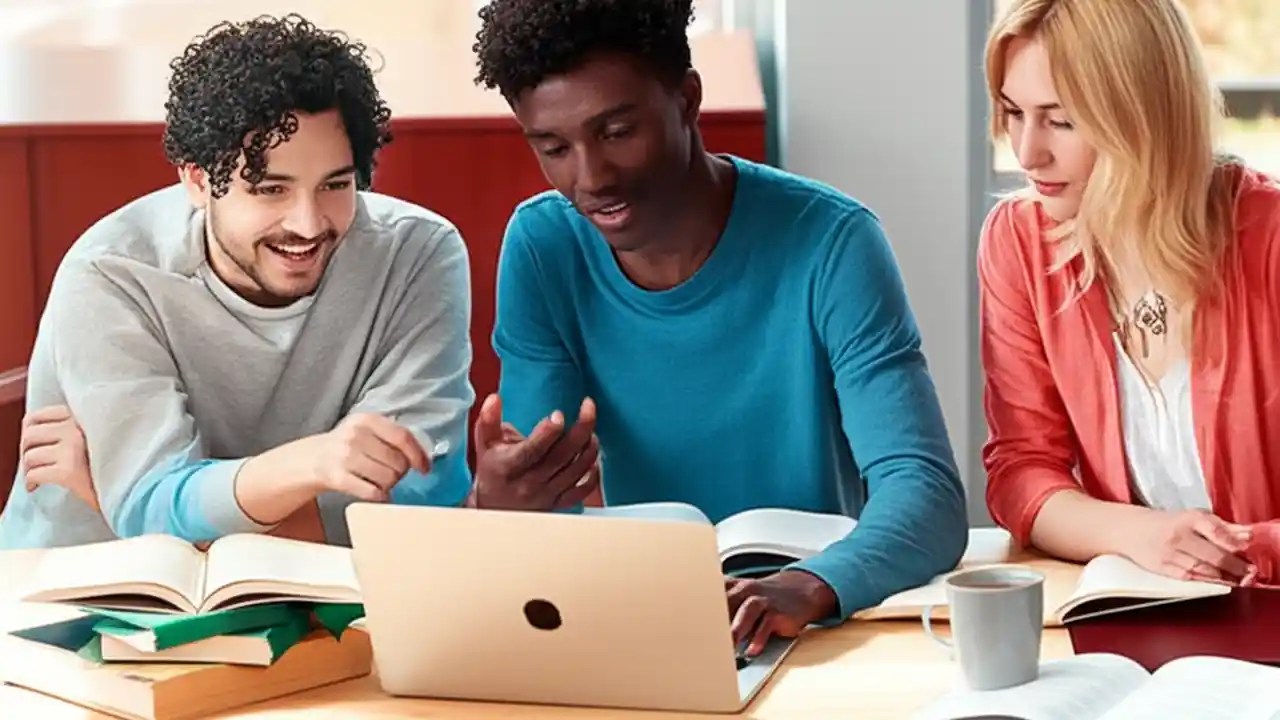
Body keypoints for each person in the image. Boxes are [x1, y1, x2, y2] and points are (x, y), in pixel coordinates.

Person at [471, 0, 969, 654]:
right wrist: (501, 501)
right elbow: (549, 515)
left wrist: (815, 583)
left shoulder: (832, 243)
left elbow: (926, 495)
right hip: (645, 622)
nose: (591, 179)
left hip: (815, 623)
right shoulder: (544, 247)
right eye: (554, 148)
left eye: (618, 131)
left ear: (687, 99)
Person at [0, 14, 598, 550]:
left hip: (315, 606)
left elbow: (419, 497)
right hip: (80, 594)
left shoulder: (417, 254)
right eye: (270, 189)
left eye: (336, 185)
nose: (309, 224)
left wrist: (135, 500)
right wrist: (310, 465)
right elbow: (147, 511)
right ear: (198, 181)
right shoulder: (112, 273)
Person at [979, 0, 1280, 585]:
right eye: (1014, 113)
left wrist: (1237, 550)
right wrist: (1139, 534)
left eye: (1061, 121)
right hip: (1134, 611)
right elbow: (1021, 470)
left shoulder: (1268, 240)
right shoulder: (1020, 242)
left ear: (1145, 115)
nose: (1026, 152)